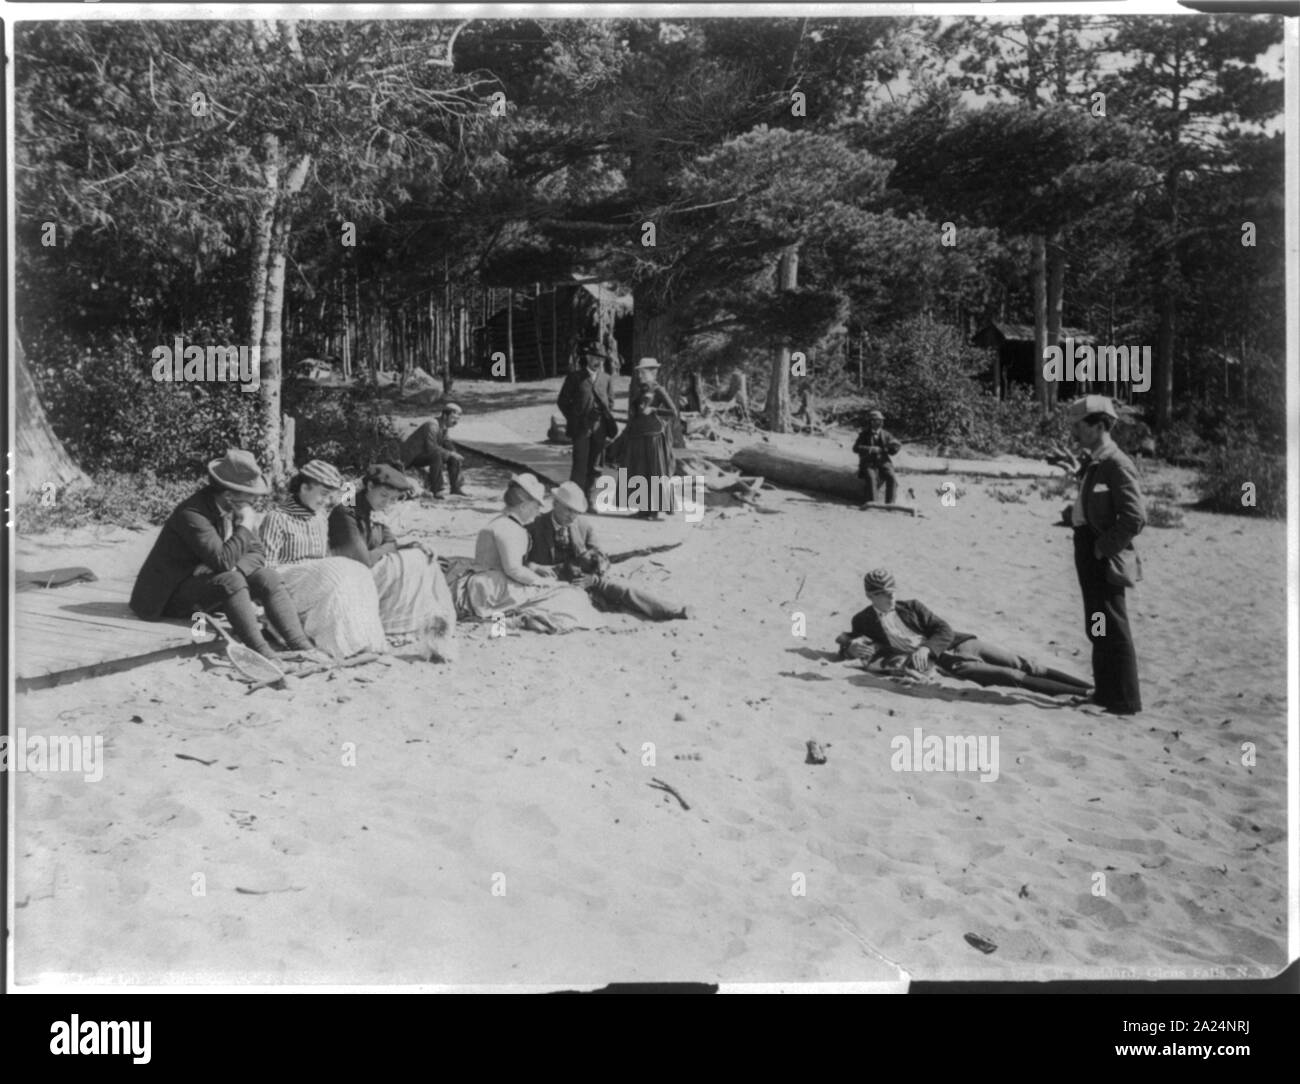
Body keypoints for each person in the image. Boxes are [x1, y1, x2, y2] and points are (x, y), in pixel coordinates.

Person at [129, 448, 324, 663]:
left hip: (203, 585)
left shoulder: (232, 507)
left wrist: (231, 565)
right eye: (251, 495)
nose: (255, 500)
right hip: (167, 597)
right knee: (231, 580)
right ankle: (262, 652)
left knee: (267, 576)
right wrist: (246, 526)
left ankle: (301, 646)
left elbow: (258, 554)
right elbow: (223, 561)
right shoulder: (193, 514)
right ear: (229, 495)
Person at [836, 568, 1093, 698]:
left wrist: (927, 647)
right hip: (949, 664)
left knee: (1022, 663)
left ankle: (1089, 687)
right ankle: (1084, 696)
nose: (892, 598)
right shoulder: (864, 620)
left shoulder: (911, 606)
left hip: (962, 644)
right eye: (884, 595)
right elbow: (848, 640)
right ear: (871, 596)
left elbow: (943, 628)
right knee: (1008, 675)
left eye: (893, 592)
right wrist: (849, 647)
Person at [1064, 395, 1146, 714]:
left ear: (1099, 426)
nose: (1075, 431)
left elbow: (1135, 517)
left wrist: (1102, 547)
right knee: (1097, 622)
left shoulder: (1116, 462)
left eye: (1080, 425)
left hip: (1103, 552)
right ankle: (1104, 693)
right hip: (1088, 548)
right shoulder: (1096, 459)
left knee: (1112, 623)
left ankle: (1125, 701)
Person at [259, 459, 389, 659]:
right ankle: (339, 646)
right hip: (287, 584)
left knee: (359, 571)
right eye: (323, 494)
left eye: (329, 496)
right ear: (304, 487)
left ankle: (364, 640)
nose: (326, 501)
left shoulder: (319, 518)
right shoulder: (277, 518)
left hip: (317, 580)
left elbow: (324, 557)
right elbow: (266, 569)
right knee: (335, 573)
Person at [328, 462, 457, 663]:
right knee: (410, 561)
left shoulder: (372, 509)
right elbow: (364, 560)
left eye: (393, 499)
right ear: (369, 487)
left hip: (364, 572)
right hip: (348, 580)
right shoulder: (347, 510)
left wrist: (407, 545)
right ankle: (398, 625)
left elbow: (391, 542)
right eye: (384, 496)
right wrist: (388, 548)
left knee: (423, 556)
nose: (387, 503)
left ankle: (438, 623)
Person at [455, 473, 605, 633]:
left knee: (564, 596)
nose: (538, 511)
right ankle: (503, 625)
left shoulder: (503, 522)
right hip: (493, 589)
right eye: (536, 506)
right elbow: (513, 569)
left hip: (489, 586)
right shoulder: (508, 528)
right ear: (524, 506)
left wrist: (537, 575)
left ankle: (502, 624)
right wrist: (544, 582)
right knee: (567, 596)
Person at [526, 482, 691, 620]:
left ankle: (674, 610)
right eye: (568, 509)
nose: (572, 516)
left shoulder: (583, 525)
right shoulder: (535, 526)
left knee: (623, 589)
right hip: (549, 584)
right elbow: (517, 561)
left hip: (584, 579)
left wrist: (593, 579)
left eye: (576, 511)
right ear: (554, 504)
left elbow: (602, 559)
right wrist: (534, 567)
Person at [619, 357, 679, 520]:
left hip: (653, 435)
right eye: (639, 372)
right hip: (638, 434)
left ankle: (654, 510)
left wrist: (653, 410)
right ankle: (643, 508)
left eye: (644, 372)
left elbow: (673, 412)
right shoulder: (640, 389)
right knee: (641, 471)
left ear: (653, 372)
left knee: (654, 472)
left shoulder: (658, 389)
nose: (640, 375)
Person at [557, 345, 616, 506]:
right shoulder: (575, 377)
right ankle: (573, 500)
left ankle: (590, 500)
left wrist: (603, 414)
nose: (598, 361)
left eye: (601, 359)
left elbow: (610, 402)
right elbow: (562, 401)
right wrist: (574, 418)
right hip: (581, 429)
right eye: (595, 358)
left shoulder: (606, 379)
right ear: (588, 358)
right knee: (579, 464)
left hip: (600, 429)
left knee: (596, 466)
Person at [400, 403, 466, 497]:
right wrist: (451, 453)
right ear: (444, 415)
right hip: (412, 457)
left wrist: (454, 454)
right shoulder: (432, 425)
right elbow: (431, 447)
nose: (455, 422)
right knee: (436, 455)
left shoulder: (443, 427)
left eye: (457, 419)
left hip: (423, 455)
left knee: (453, 456)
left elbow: (447, 443)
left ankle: (456, 488)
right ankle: (437, 489)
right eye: (453, 418)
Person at [853, 409, 901, 506]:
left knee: (892, 477)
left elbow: (892, 452)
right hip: (868, 462)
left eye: (881, 420)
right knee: (871, 478)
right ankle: (872, 503)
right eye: (877, 420)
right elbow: (856, 448)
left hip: (883, 462)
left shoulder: (886, 434)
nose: (880, 422)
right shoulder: (864, 434)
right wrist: (871, 449)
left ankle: (890, 504)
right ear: (871, 422)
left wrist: (896, 447)